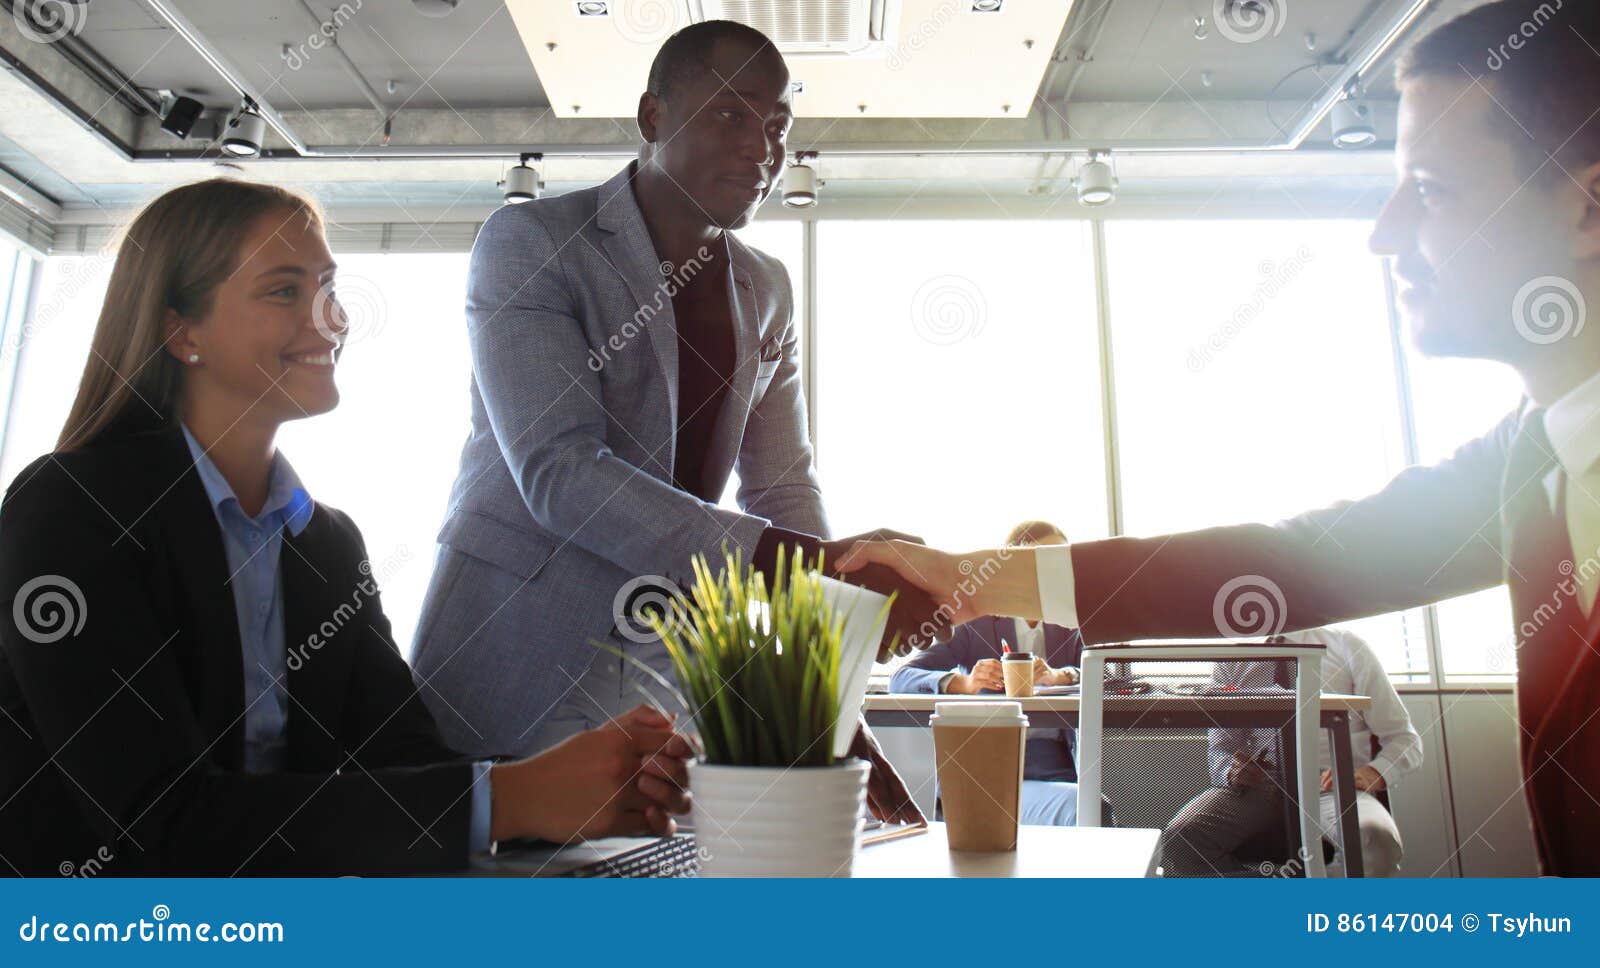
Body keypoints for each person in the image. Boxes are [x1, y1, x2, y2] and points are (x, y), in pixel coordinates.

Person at [839, 1, 1600, 875]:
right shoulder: (1530, 457)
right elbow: (1291, 560)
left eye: (1429, 191)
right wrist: (965, 579)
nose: (1383, 232)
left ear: (1588, 208)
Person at [0, 180, 691, 876]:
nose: (330, 319)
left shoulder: (326, 546)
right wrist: (511, 799)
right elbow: (161, 827)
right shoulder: (70, 511)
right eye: (283, 292)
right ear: (183, 331)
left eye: (328, 287)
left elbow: (404, 762)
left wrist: (582, 784)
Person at [410, 20, 937, 821]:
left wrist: (823, 704)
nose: (763, 146)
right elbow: (561, 473)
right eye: (733, 114)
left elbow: (785, 489)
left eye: (778, 127)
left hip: (665, 674)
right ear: (654, 116)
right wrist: (814, 564)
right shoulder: (533, 243)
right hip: (513, 658)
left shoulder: (767, 289)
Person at [1159, 628, 1422, 877]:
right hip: (1259, 788)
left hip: (1330, 785)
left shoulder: (1348, 646)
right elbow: (1221, 749)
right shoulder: (1233, 659)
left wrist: (1373, 772)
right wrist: (1232, 770)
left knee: (1377, 841)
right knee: (1181, 840)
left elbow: (1404, 739)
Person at [890, 521, 1084, 824]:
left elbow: (1106, 679)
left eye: (1061, 559)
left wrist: (1061, 676)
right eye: (1042, 560)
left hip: (1064, 768)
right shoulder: (976, 622)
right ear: (1014, 567)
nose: (1052, 572)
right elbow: (901, 679)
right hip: (993, 775)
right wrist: (964, 683)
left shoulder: (1070, 625)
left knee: (1093, 806)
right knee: (1081, 809)